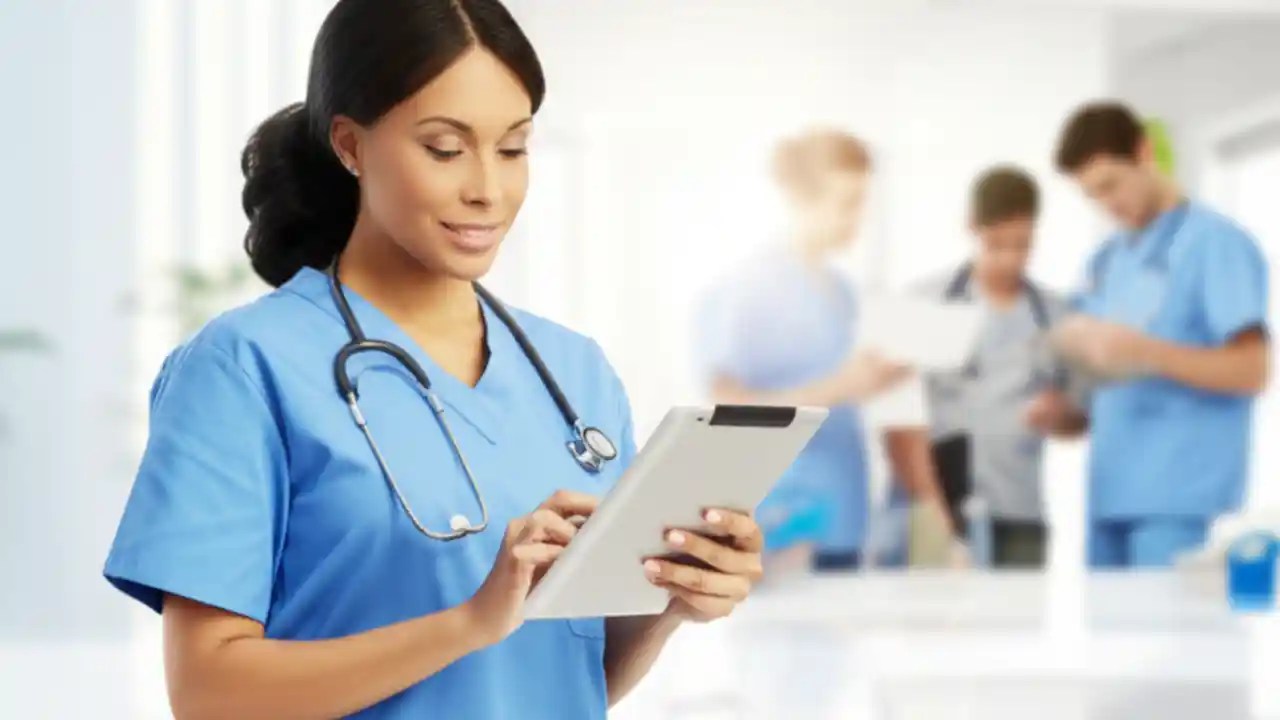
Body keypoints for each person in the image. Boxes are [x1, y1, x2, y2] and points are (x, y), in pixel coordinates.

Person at [101, 2, 765, 718]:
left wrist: (672, 603)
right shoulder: (243, 368)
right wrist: (468, 623)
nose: (487, 189)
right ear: (350, 146)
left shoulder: (575, 374)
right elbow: (208, 694)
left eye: (513, 149)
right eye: (445, 149)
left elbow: (565, 679)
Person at [696, 128, 956, 573]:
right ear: (800, 200)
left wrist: (877, 380)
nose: (857, 220)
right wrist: (841, 386)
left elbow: (858, 398)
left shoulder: (842, 292)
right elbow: (726, 411)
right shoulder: (748, 287)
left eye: (862, 204)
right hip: (783, 522)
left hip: (845, 519)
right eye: (847, 204)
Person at [1041, 101, 1270, 568]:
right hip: (1109, 498)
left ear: (1144, 153)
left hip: (1182, 500)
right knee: (1106, 621)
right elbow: (1093, 395)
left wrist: (1145, 351)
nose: (1106, 204)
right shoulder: (1105, 261)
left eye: (1110, 185)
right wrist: (1061, 413)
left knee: (1168, 618)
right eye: (1091, 195)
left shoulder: (1214, 243)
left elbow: (1254, 369)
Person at [914, 166, 1087, 568]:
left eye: (1022, 245)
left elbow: (1078, 421)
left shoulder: (1057, 316)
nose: (1010, 259)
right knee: (933, 607)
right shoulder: (926, 303)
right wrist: (929, 506)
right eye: (996, 245)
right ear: (971, 227)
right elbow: (898, 417)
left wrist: (1060, 414)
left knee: (1020, 609)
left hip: (1019, 509)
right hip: (938, 507)